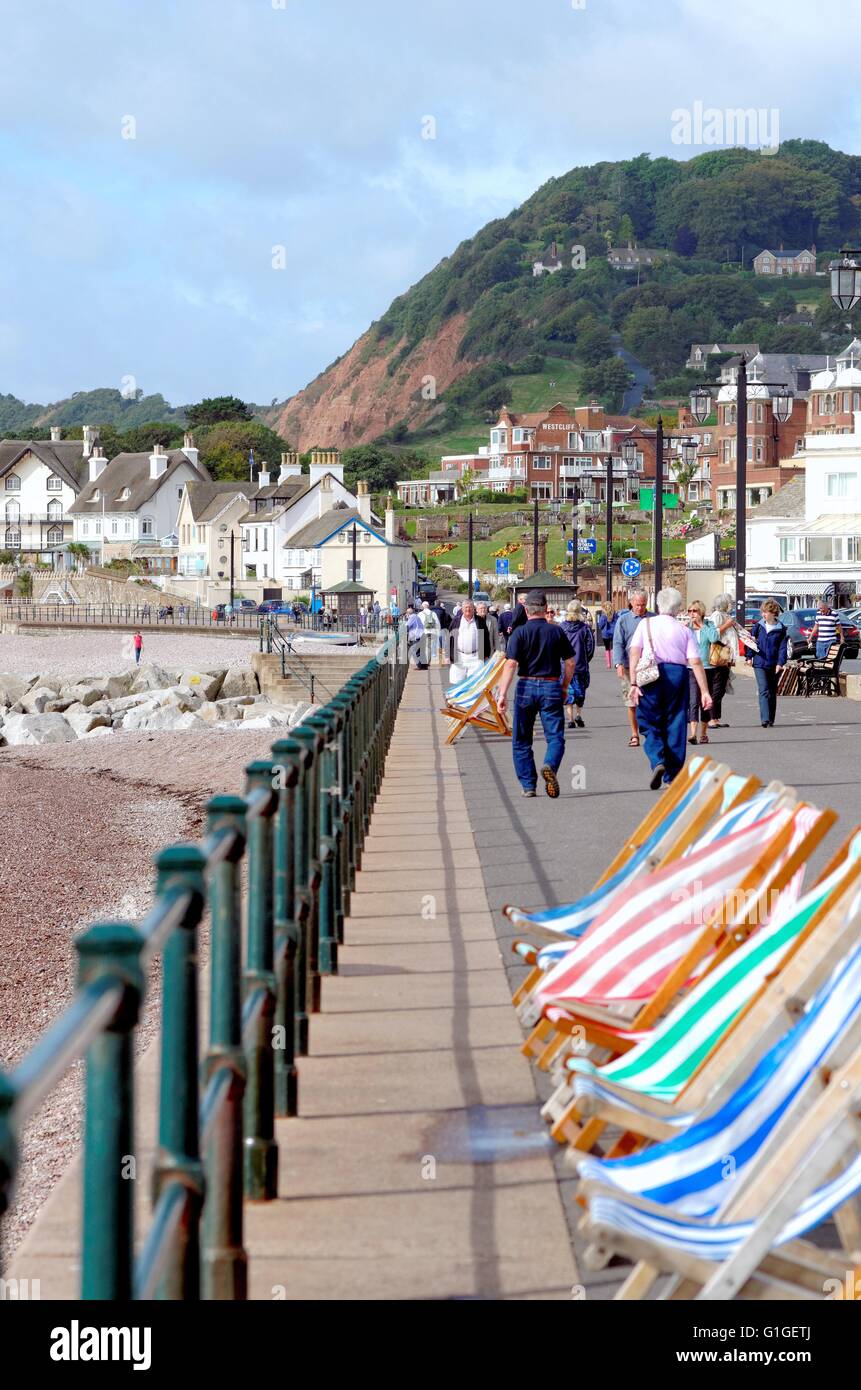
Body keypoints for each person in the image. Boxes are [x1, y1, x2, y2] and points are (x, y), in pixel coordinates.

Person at [628, 587, 713, 790]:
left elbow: (634, 654)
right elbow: (696, 662)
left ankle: (658, 760)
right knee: (675, 722)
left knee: (648, 721)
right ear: (677, 608)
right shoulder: (684, 630)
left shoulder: (645, 624)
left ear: (658, 605)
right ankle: (672, 775)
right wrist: (705, 691)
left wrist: (633, 682)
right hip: (677, 674)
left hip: (650, 674)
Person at [496, 590, 575, 798]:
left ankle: (528, 785)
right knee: (555, 737)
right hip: (550, 686)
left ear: (526, 609)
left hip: (525, 686)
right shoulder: (556, 632)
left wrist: (502, 694)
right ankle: (549, 764)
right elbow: (570, 662)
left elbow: (511, 664)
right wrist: (565, 687)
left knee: (521, 739)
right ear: (545, 608)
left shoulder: (519, 633)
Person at [612, 588, 652, 748]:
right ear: (631, 603)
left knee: (650, 701)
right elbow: (617, 643)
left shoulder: (653, 619)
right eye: (637, 605)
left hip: (650, 667)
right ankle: (634, 734)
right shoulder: (624, 620)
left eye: (643, 605)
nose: (640, 608)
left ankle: (650, 732)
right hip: (630, 667)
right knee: (631, 702)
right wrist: (618, 663)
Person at [746, 599, 788, 728]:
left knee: (772, 691)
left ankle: (771, 718)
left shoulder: (781, 629)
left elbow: (782, 648)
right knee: (763, 689)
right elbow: (751, 643)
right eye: (762, 612)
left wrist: (780, 663)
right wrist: (749, 657)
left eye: (766, 612)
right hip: (759, 662)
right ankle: (764, 719)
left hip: (774, 663)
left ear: (773, 613)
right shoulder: (758, 626)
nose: (763, 614)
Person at [684, 601, 719, 745]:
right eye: (690, 611)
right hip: (691, 668)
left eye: (695, 611)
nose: (692, 614)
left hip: (707, 668)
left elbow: (714, 638)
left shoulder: (709, 625)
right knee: (693, 700)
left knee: (705, 701)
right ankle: (692, 733)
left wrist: (702, 625)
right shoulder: (687, 628)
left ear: (701, 612)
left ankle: (703, 733)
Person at [559, 600, 594, 729]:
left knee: (568, 690)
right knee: (581, 690)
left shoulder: (561, 627)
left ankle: (570, 718)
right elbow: (590, 647)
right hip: (580, 664)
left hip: (565, 665)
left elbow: (557, 646)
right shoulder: (585, 628)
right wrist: (585, 659)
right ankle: (579, 714)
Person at [706, 593, 739, 728]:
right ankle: (710, 717)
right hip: (720, 652)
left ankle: (716, 717)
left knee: (722, 684)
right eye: (730, 602)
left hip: (726, 652)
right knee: (718, 686)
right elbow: (713, 634)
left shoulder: (724, 615)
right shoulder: (717, 616)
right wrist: (727, 624)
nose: (731, 604)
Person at [448, 598, 490, 683]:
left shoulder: (480, 621)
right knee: (457, 683)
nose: (468, 609)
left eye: (470, 607)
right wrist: (448, 655)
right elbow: (450, 638)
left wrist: (486, 655)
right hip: (459, 656)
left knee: (474, 684)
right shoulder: (456, 621)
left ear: (474, 609)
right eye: (466, 607)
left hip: (476, 657)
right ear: (462, 609)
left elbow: (486, 638)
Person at [418, 599, 441, 668]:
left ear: (423, 606)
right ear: (428, 606)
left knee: (423, 647)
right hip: (432, 632)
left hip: (424, 632)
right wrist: (438, 632)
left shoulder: (420, 614)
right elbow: (437, 623)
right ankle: (428, 662)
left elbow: (418, 624)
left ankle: (424, 662)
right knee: (429, 648)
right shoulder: (433, 613)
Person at [597, 603, 617, 668]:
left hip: (605, 634)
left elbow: (600, 625)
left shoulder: (603, 616)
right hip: (614, 633)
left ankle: (608, 664)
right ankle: (615, 662)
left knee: (607, 648)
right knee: (613, 648)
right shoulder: (615, 615)